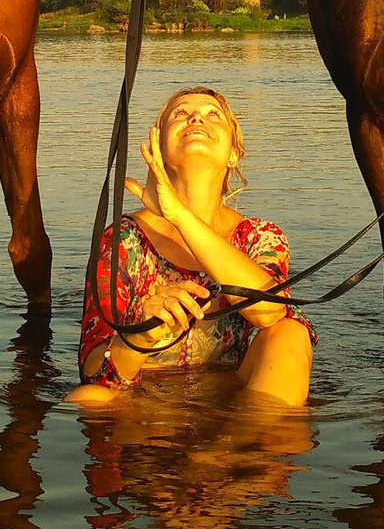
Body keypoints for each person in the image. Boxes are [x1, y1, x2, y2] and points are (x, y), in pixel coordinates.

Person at [71, 86, 313, 408]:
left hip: (235, 402)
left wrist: (180, 217)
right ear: (159, 149)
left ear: (233, 154)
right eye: (180, 114)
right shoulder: (121, 241)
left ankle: (238, 453)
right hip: (143, 402)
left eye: (214, 115)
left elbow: (269, 312)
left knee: (289, 335)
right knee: (88, 399)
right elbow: (92, 370)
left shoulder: (258, 236)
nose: (197, 117)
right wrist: (140, 336)